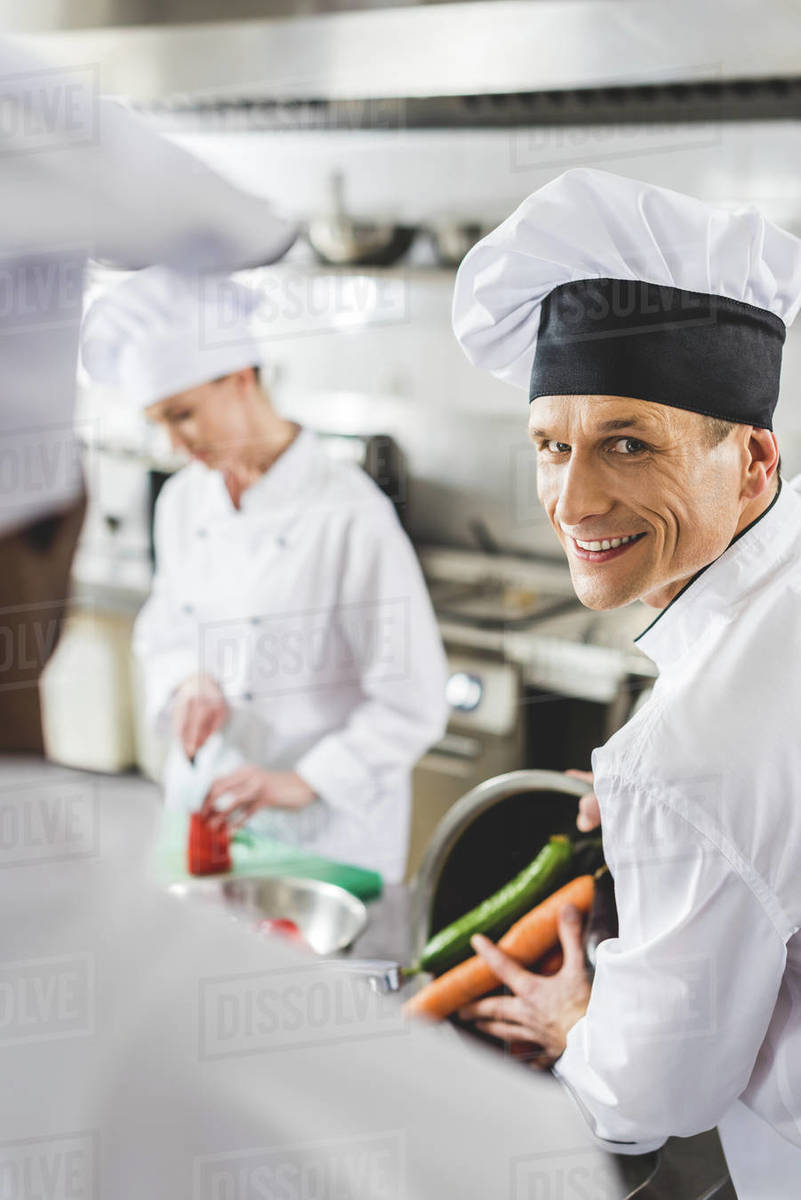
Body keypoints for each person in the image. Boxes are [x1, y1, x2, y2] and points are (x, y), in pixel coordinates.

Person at [451, 167, 801, 1199]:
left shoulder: (689, 758)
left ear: (752, 462)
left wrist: (576, 1025)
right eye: (551, 446)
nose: (572, 500)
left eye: (628, 444)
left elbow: (651, 1099)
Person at [81, 268, 448, 882]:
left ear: (240, 379)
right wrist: (188, 682)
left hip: (323, 833)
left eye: (183, 415)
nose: (173, 444)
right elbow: (165, 630)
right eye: (159, 422)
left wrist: (301, 781)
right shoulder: (183, 500)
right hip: (206, 806)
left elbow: (413, 702)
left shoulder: (349, 513)